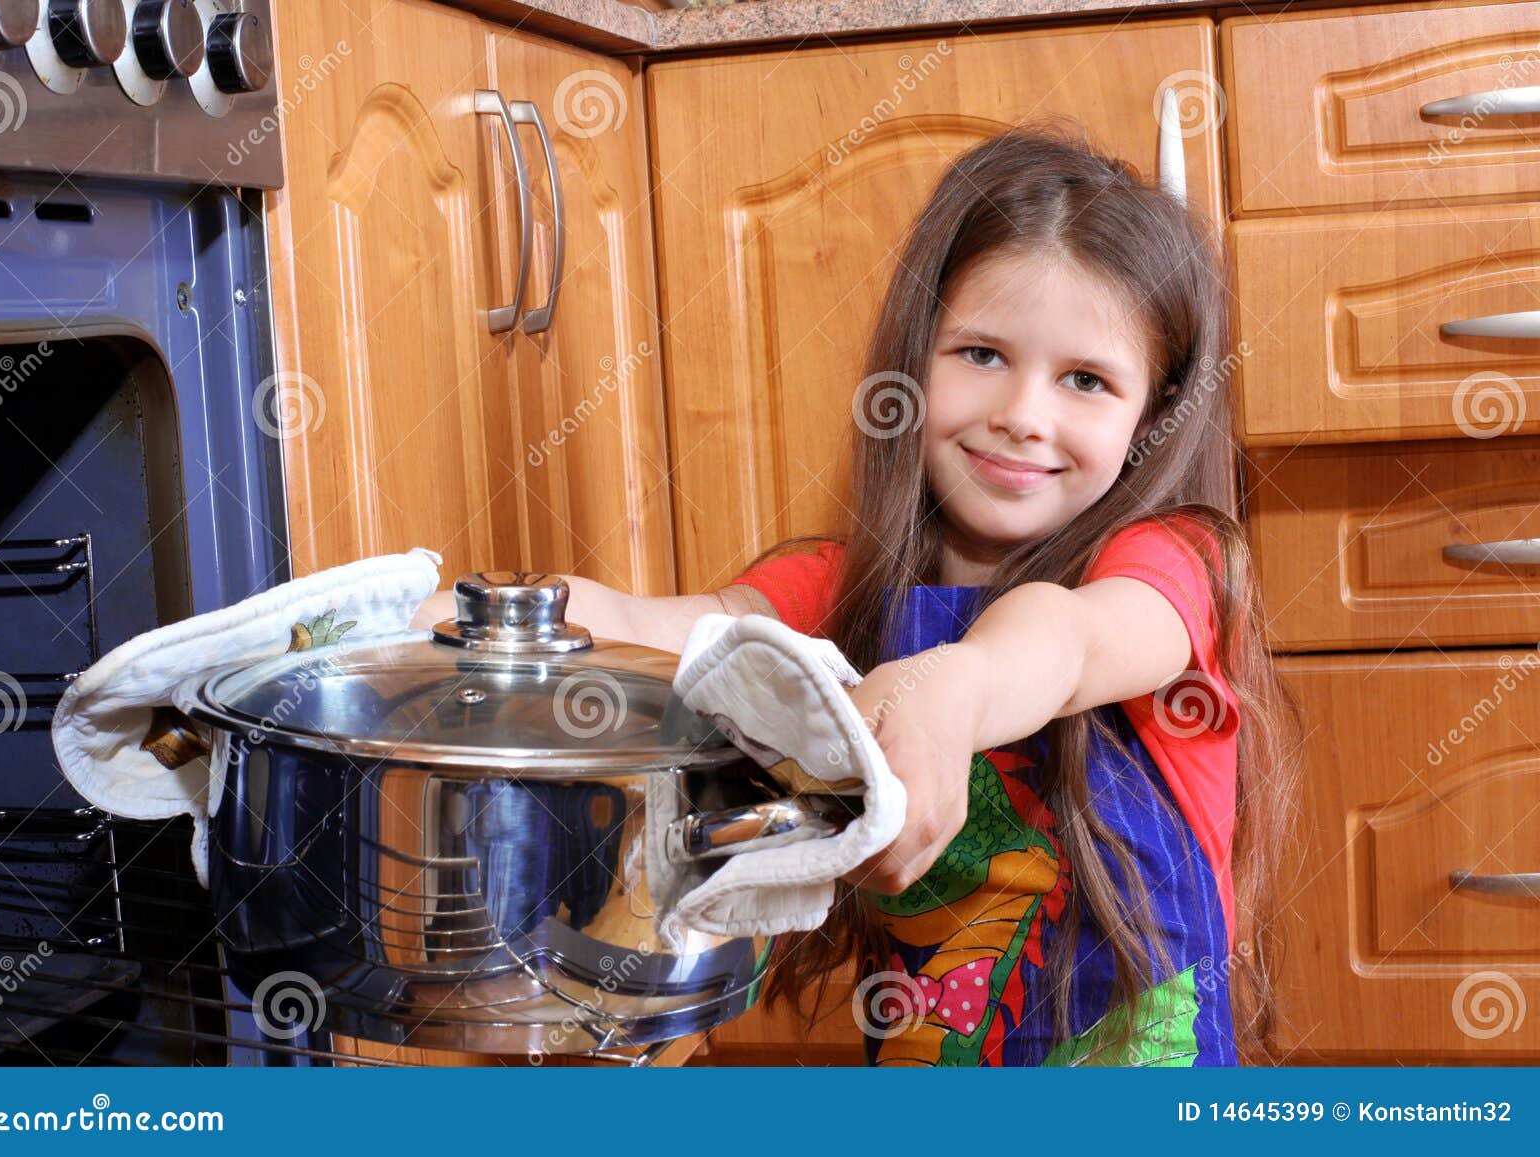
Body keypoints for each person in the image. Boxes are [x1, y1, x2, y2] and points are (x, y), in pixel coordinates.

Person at [411, 124, 1301, 1068]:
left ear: (1153, 418)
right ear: (915, 360)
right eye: (982, 354)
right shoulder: (845, 589)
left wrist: (951, 685)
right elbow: (662, 628)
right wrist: (459, 625)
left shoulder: (1176, 567)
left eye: (1086, 379)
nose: (1023, 415)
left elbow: (1067, 640)